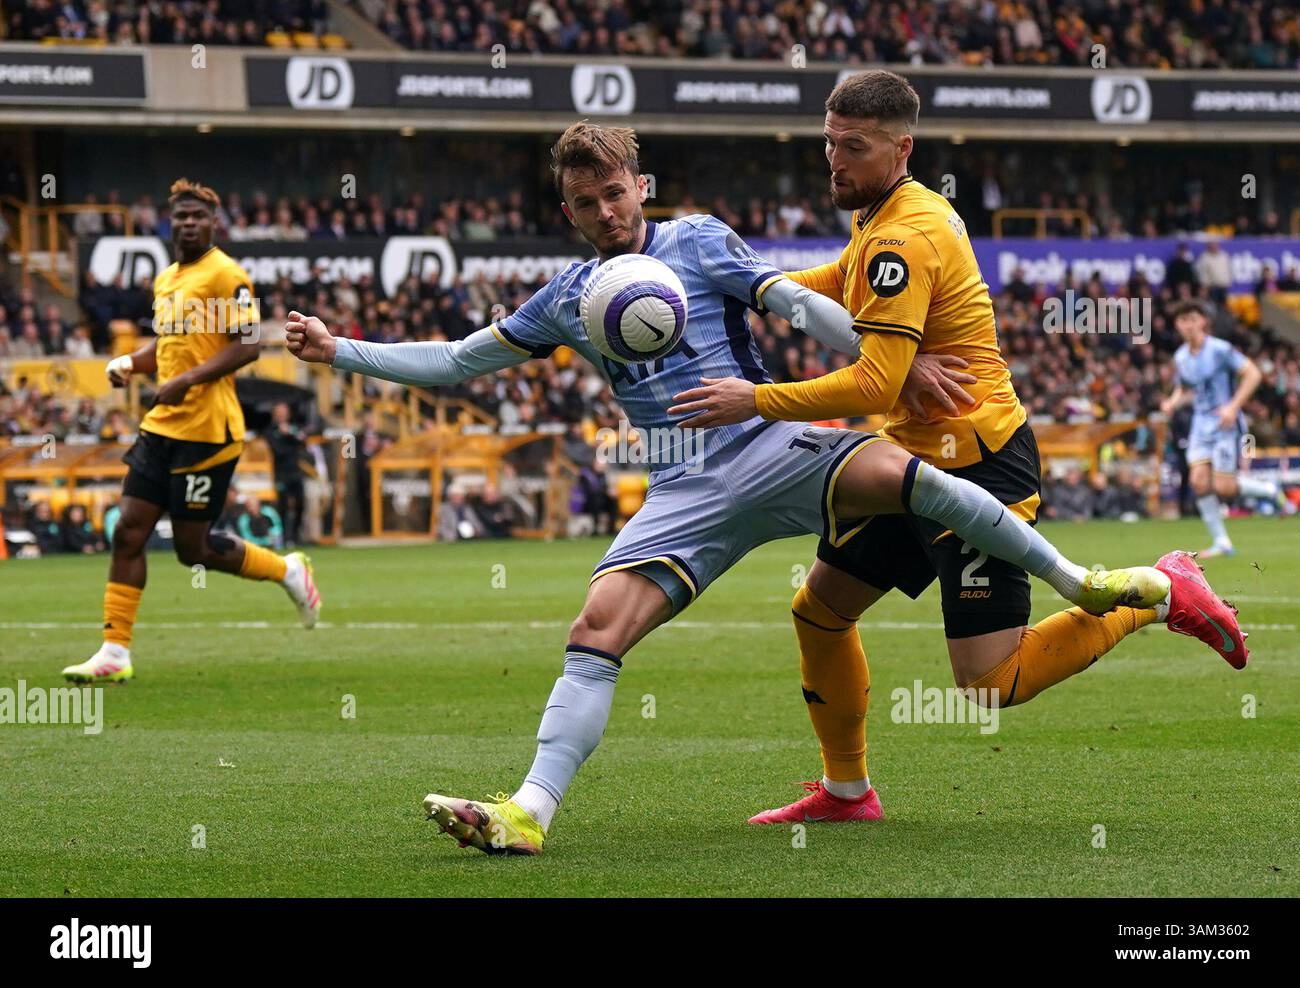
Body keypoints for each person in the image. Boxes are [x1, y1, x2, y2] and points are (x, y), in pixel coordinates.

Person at [288, 120, 1181, 857]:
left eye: (615, 192)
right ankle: (529, 811)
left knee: (910, 477)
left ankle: (1083, 584)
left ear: (643, 184)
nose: (605, 212)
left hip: (767, 440)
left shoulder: (700, 240)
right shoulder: (565, 298)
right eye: (585, 203)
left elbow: (798, 307)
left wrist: (889, 370)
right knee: (595, 630)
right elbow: (453, 361)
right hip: (683, 490)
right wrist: (343, 350)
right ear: (568, 211)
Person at [670, 71, 1248, 827]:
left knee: (988, 683)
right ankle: (848, 793)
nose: (834, 160)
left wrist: (756, 399)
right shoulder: (885, 213)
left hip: (977, 464)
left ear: (902, 148)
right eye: (828, 142)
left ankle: (1159, 591)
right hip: (908, 464)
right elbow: (835, 287)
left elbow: (875, 384)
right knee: (820, 611)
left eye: (854, 147)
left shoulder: (904, 235)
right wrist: (742, 286)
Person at [61, 178, 322, 685]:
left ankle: (286, 570)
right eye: (180, 215)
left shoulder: (227, 275)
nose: (188, 223)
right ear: (170, 221)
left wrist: (187, 380)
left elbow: (248, 346)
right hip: (161, 427)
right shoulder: (166, 281)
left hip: (208, 432)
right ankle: (114, 650)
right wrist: (129, 363)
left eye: (197, 216)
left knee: (191, 550)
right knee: (128, 530)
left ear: (214, 223)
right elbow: (166, 349)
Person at [1160, 299, 1289, 557]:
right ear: (1177, 325)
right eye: (1182, 320)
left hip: (1224, 424)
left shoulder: (1220, 349)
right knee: (1198, 481)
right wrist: (1173, 401)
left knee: (1224, 488)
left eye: (1192, 319)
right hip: (1200, 424)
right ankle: (1222, 542)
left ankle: (1271, 491)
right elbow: (1186, 387)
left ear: (1203, 322)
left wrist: (1232, 406)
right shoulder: (1182, 356)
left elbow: (1252, 373)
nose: (1187, 325)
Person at [265, 401, 308, 546]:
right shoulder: (270, 431)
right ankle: (283, 538)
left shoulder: (293, 429)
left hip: (295, 472)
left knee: (301, 503)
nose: (281, 415)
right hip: (281, 474)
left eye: (284, 412)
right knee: (282, 506)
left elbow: (303, 443)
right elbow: (279, 451)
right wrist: (288, 437)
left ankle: (296, 536)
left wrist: (289, 434)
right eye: (279, 412)